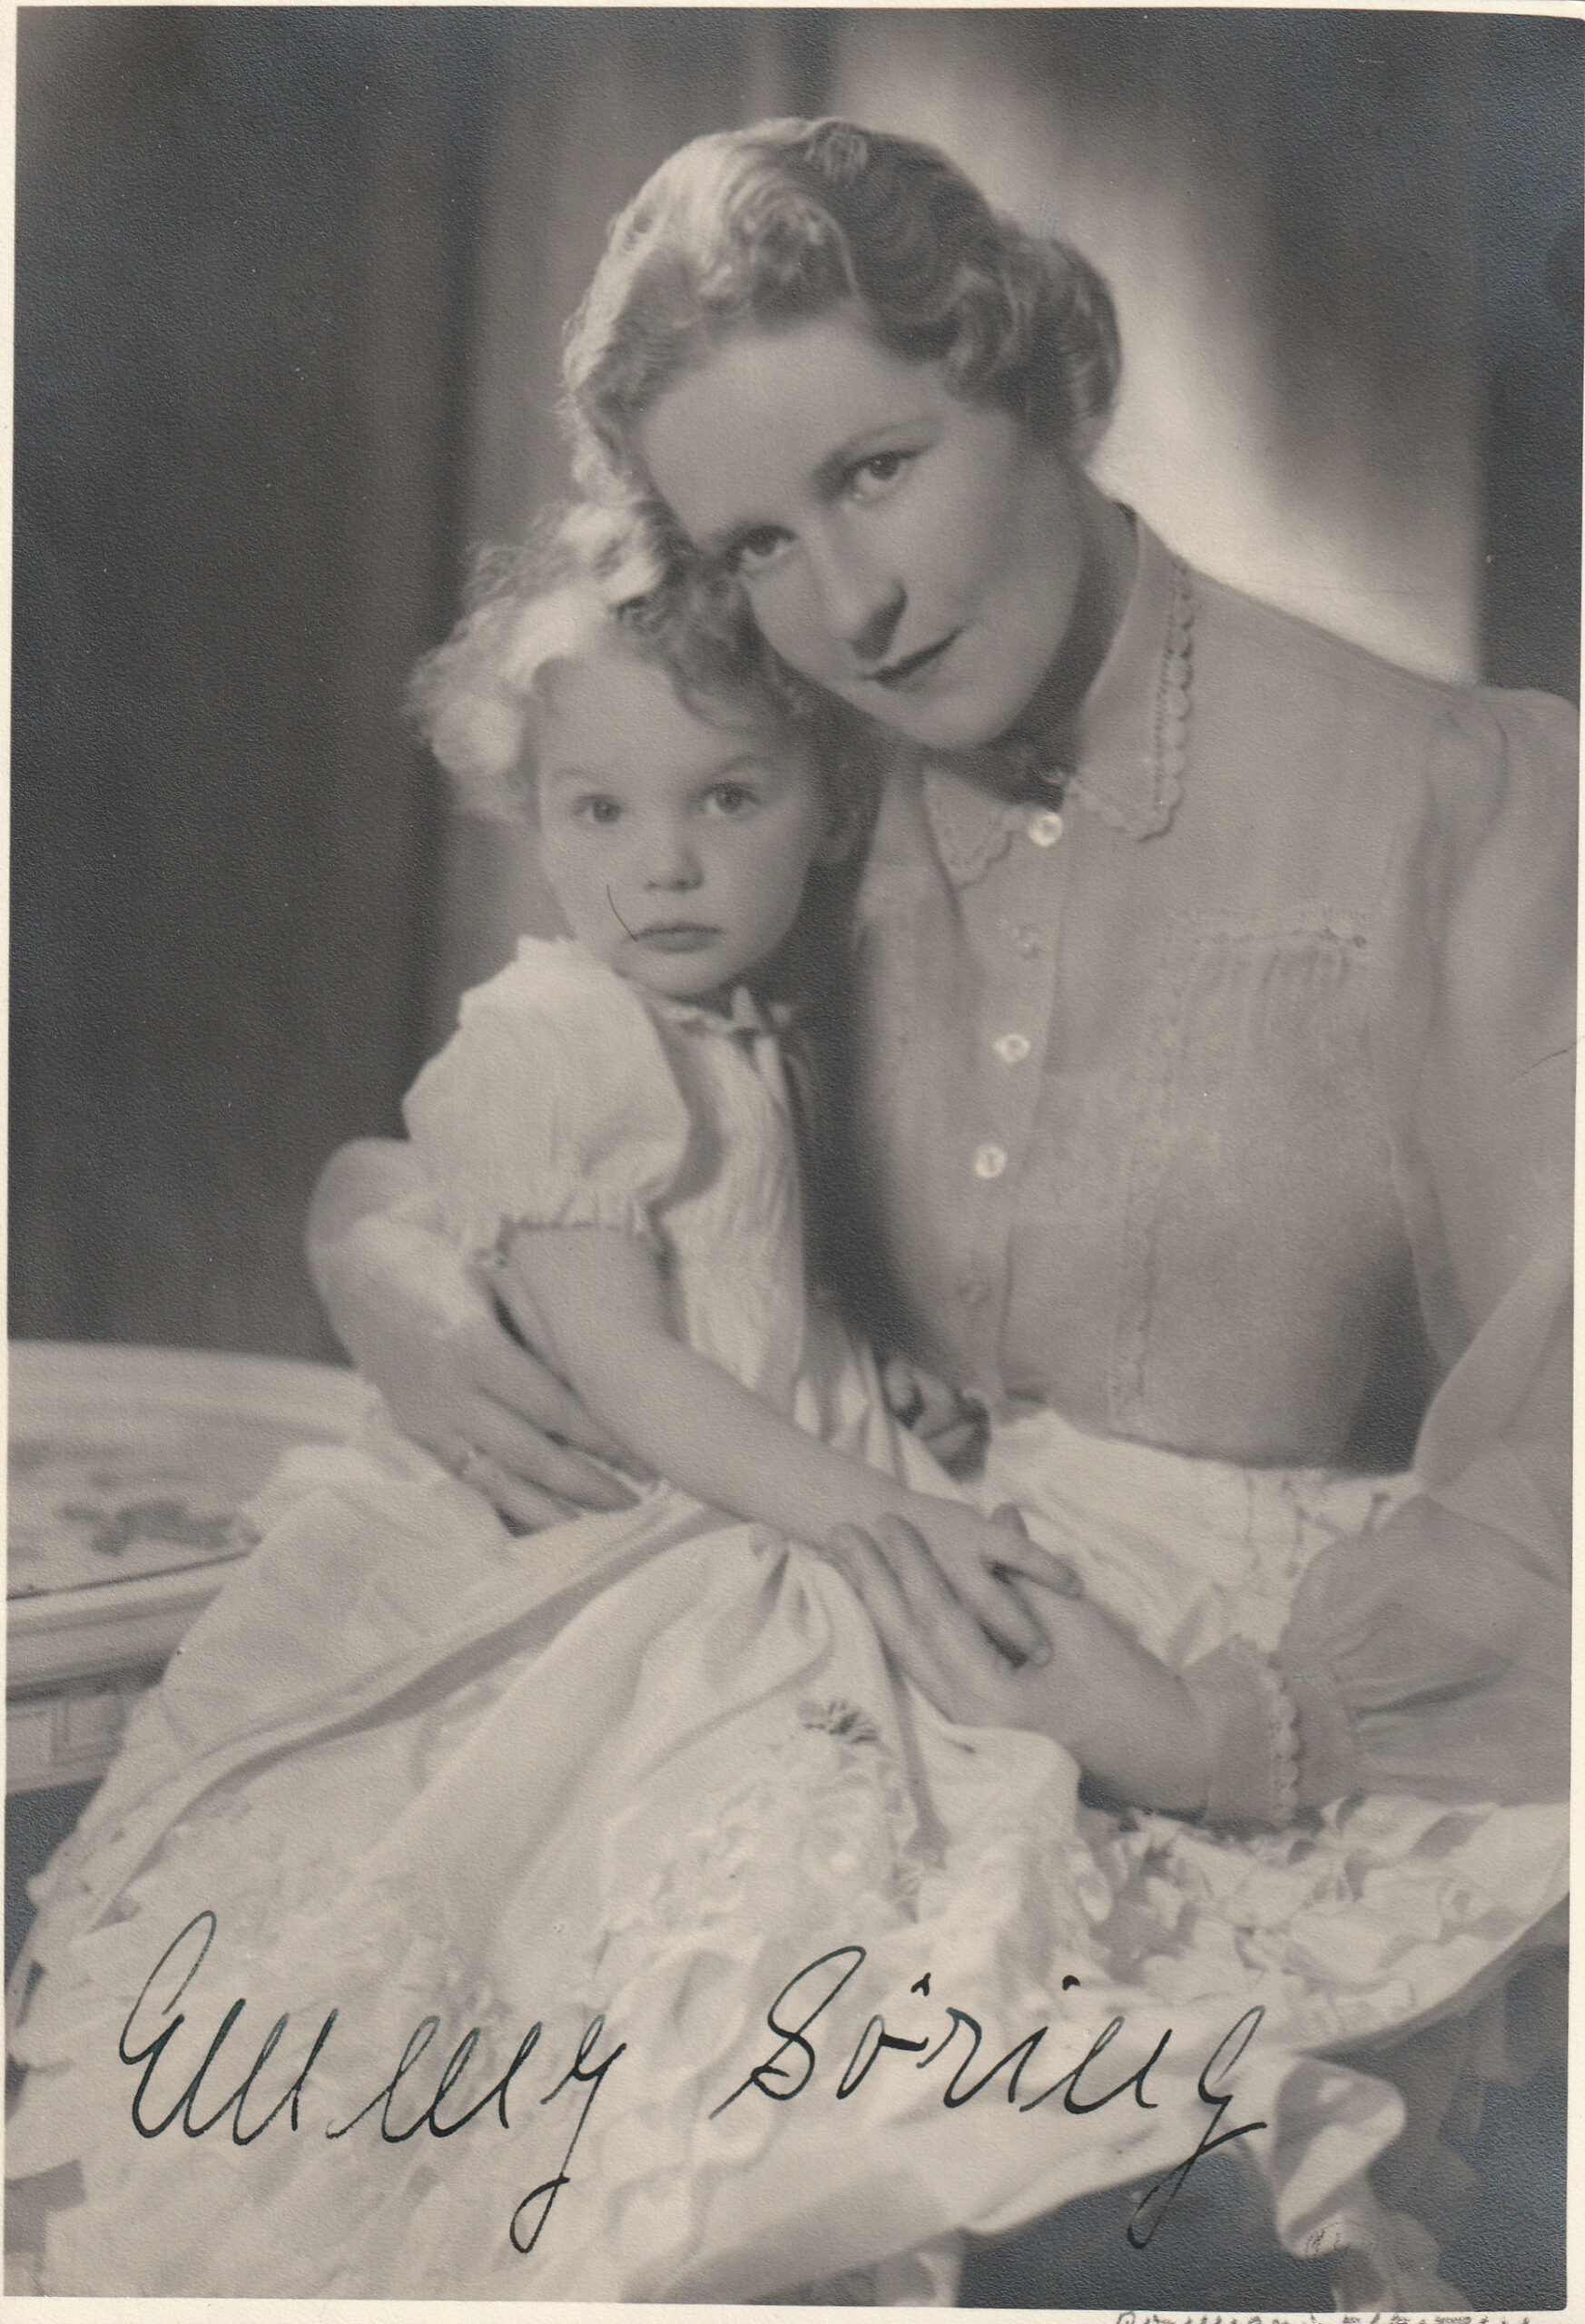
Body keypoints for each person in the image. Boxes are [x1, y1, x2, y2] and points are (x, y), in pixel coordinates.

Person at [7, 519, 1566, 2304]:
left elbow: (751, 1285)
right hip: (640, 1521)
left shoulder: (757, 1018)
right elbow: (635, 1365)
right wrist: (859, 1499)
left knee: (969, 1822)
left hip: (785, 1473)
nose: (661, 866)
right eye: (600, 813)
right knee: (653, 1880)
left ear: (824, 805)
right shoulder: (564, 1038)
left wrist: (867, 1374)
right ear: (535, 810)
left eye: (723, 802)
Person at [304, 118, 1575, 2296]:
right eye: (760, 544)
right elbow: (595, 1115)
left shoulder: (1453, 800)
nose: (853, 605)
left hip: (1270, 1769)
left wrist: (1231, 1729)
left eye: (876, 469)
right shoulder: (781, 798)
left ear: (1030, 371)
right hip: (811, 1725)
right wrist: (375, 1239)